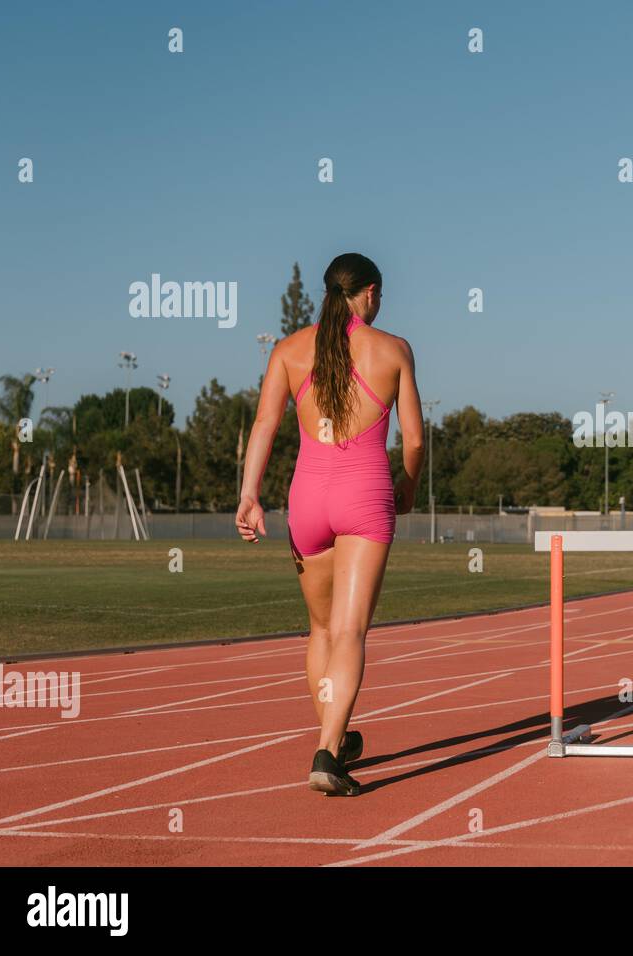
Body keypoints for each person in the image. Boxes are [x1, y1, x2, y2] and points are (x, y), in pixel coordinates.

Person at [235, 252, 425, 795]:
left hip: (306, 501)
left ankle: (334, 740)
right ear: (368, 294)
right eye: (380, 295)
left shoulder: (290, 350)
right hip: (364, 494)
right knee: (349, 631)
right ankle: (326, 752)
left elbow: (266, 422)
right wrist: (407, 486)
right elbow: (412, 439)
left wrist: (250, 495)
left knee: (320, 629)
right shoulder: (393, 350)